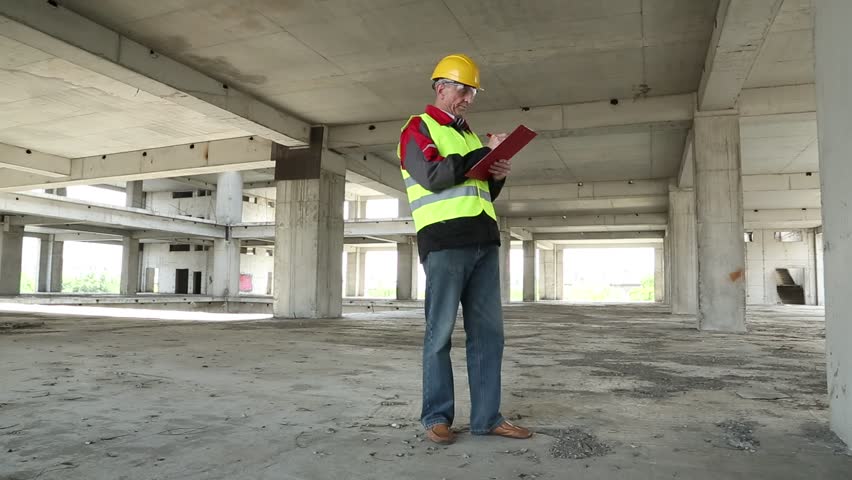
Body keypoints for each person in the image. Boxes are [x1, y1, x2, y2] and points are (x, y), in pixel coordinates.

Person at [397, 53, 533, 444]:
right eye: (463, 90)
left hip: (483, 241)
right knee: (440, 333)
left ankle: (487, 418)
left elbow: (478, 191)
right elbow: (433, 175)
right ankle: (436, 417)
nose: (469, 99)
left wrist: (496, 173)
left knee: (489, 335)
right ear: (441, 87)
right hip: (444, 242)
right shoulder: (418, 127)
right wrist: (481, 156)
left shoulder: (471, 137)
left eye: (473, 92)